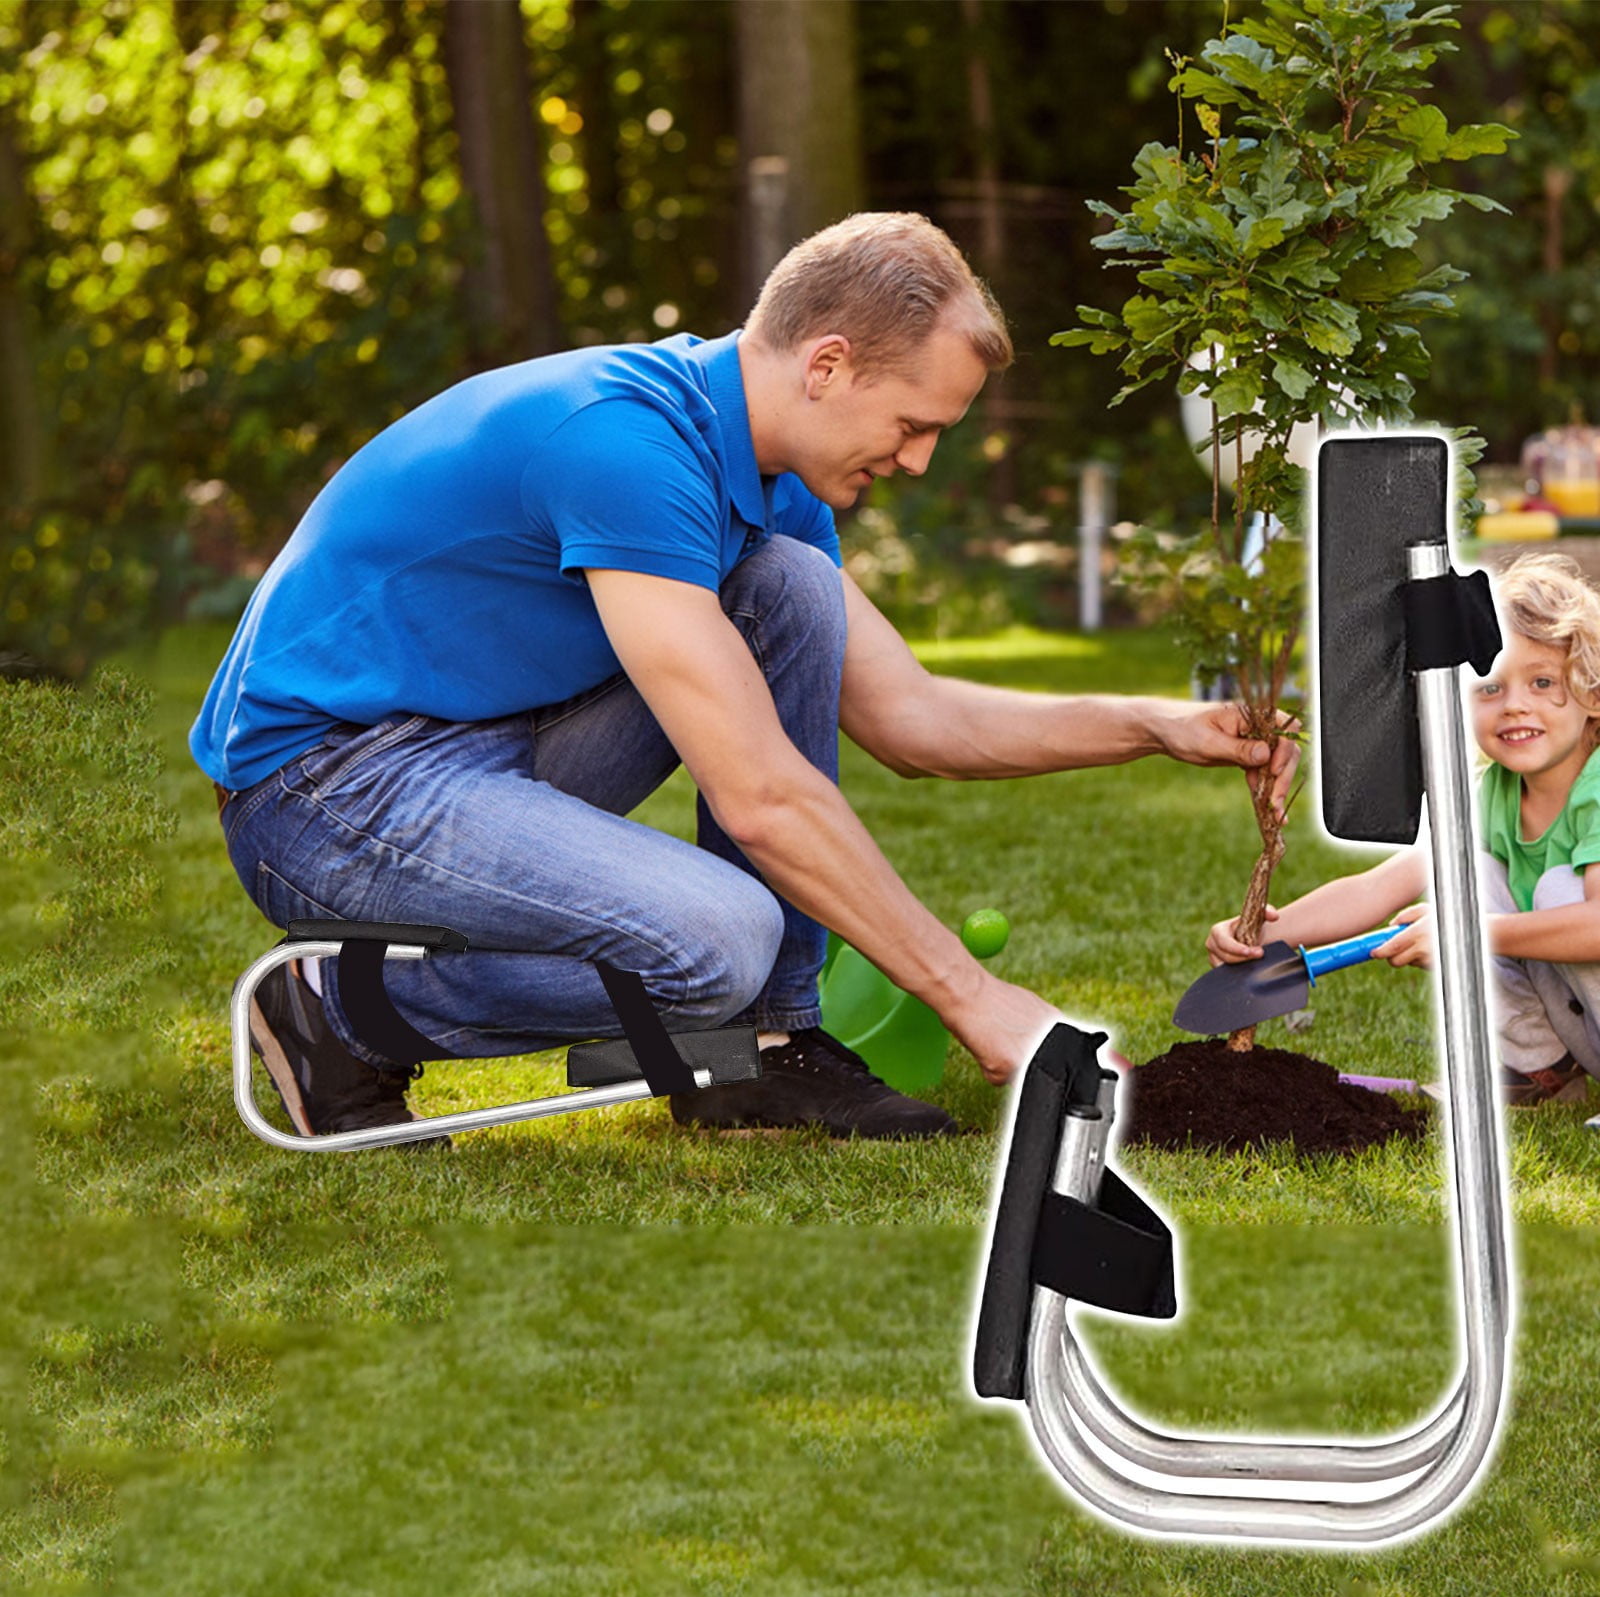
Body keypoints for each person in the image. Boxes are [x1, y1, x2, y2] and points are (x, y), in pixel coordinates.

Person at [194, 211, 1295, 1143]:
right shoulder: (623, 445)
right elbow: (761, 796)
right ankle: (340, 1008)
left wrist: (1154, 723)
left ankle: (764, 1050)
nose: (917, 462)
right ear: (827, 364)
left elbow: (912, 719)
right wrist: (971, 995)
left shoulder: (770, 480)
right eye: (914, 426)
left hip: (478, 746)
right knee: (720, 938)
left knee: (790, 591)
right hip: (324, 791)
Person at [1207, 551, 1600, 1109]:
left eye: (1542, 682)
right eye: (1490, 688)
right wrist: (1265, 936)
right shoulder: (1493, 794)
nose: (1514, 706)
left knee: (1557, 890)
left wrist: (1464, 933)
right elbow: (1379, 887)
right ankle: (1540, 1075)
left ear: (1594, 694)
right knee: (1466, 874)